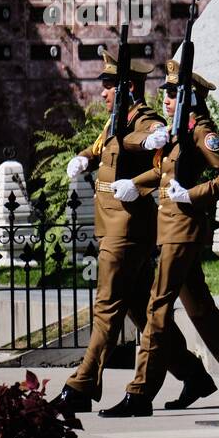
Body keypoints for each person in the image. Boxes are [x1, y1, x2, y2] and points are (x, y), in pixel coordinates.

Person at [99, 62, 219, 416]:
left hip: (182, 231)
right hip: (170, 229)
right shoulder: (180, 131)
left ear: (188, 96)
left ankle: (140, 394)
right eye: (164, 92)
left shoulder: (201, 132)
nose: (164, 99)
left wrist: (192, 196)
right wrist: (136, 185)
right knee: (203, 315)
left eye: (170, 93)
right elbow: (163, 172)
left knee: (157, 308)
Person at [56, 55, 168, 413]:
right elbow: (105, 145)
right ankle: (193, 372)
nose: (102, 92)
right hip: (111, 226)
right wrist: (85, 157)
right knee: (139, 308)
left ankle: (82, 384)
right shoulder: (116, 122)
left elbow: (155, 148)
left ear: (127, 88)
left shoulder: (147, 123)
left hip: (128, 230)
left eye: (108, 86)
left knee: (106, 308)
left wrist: (136, 183)